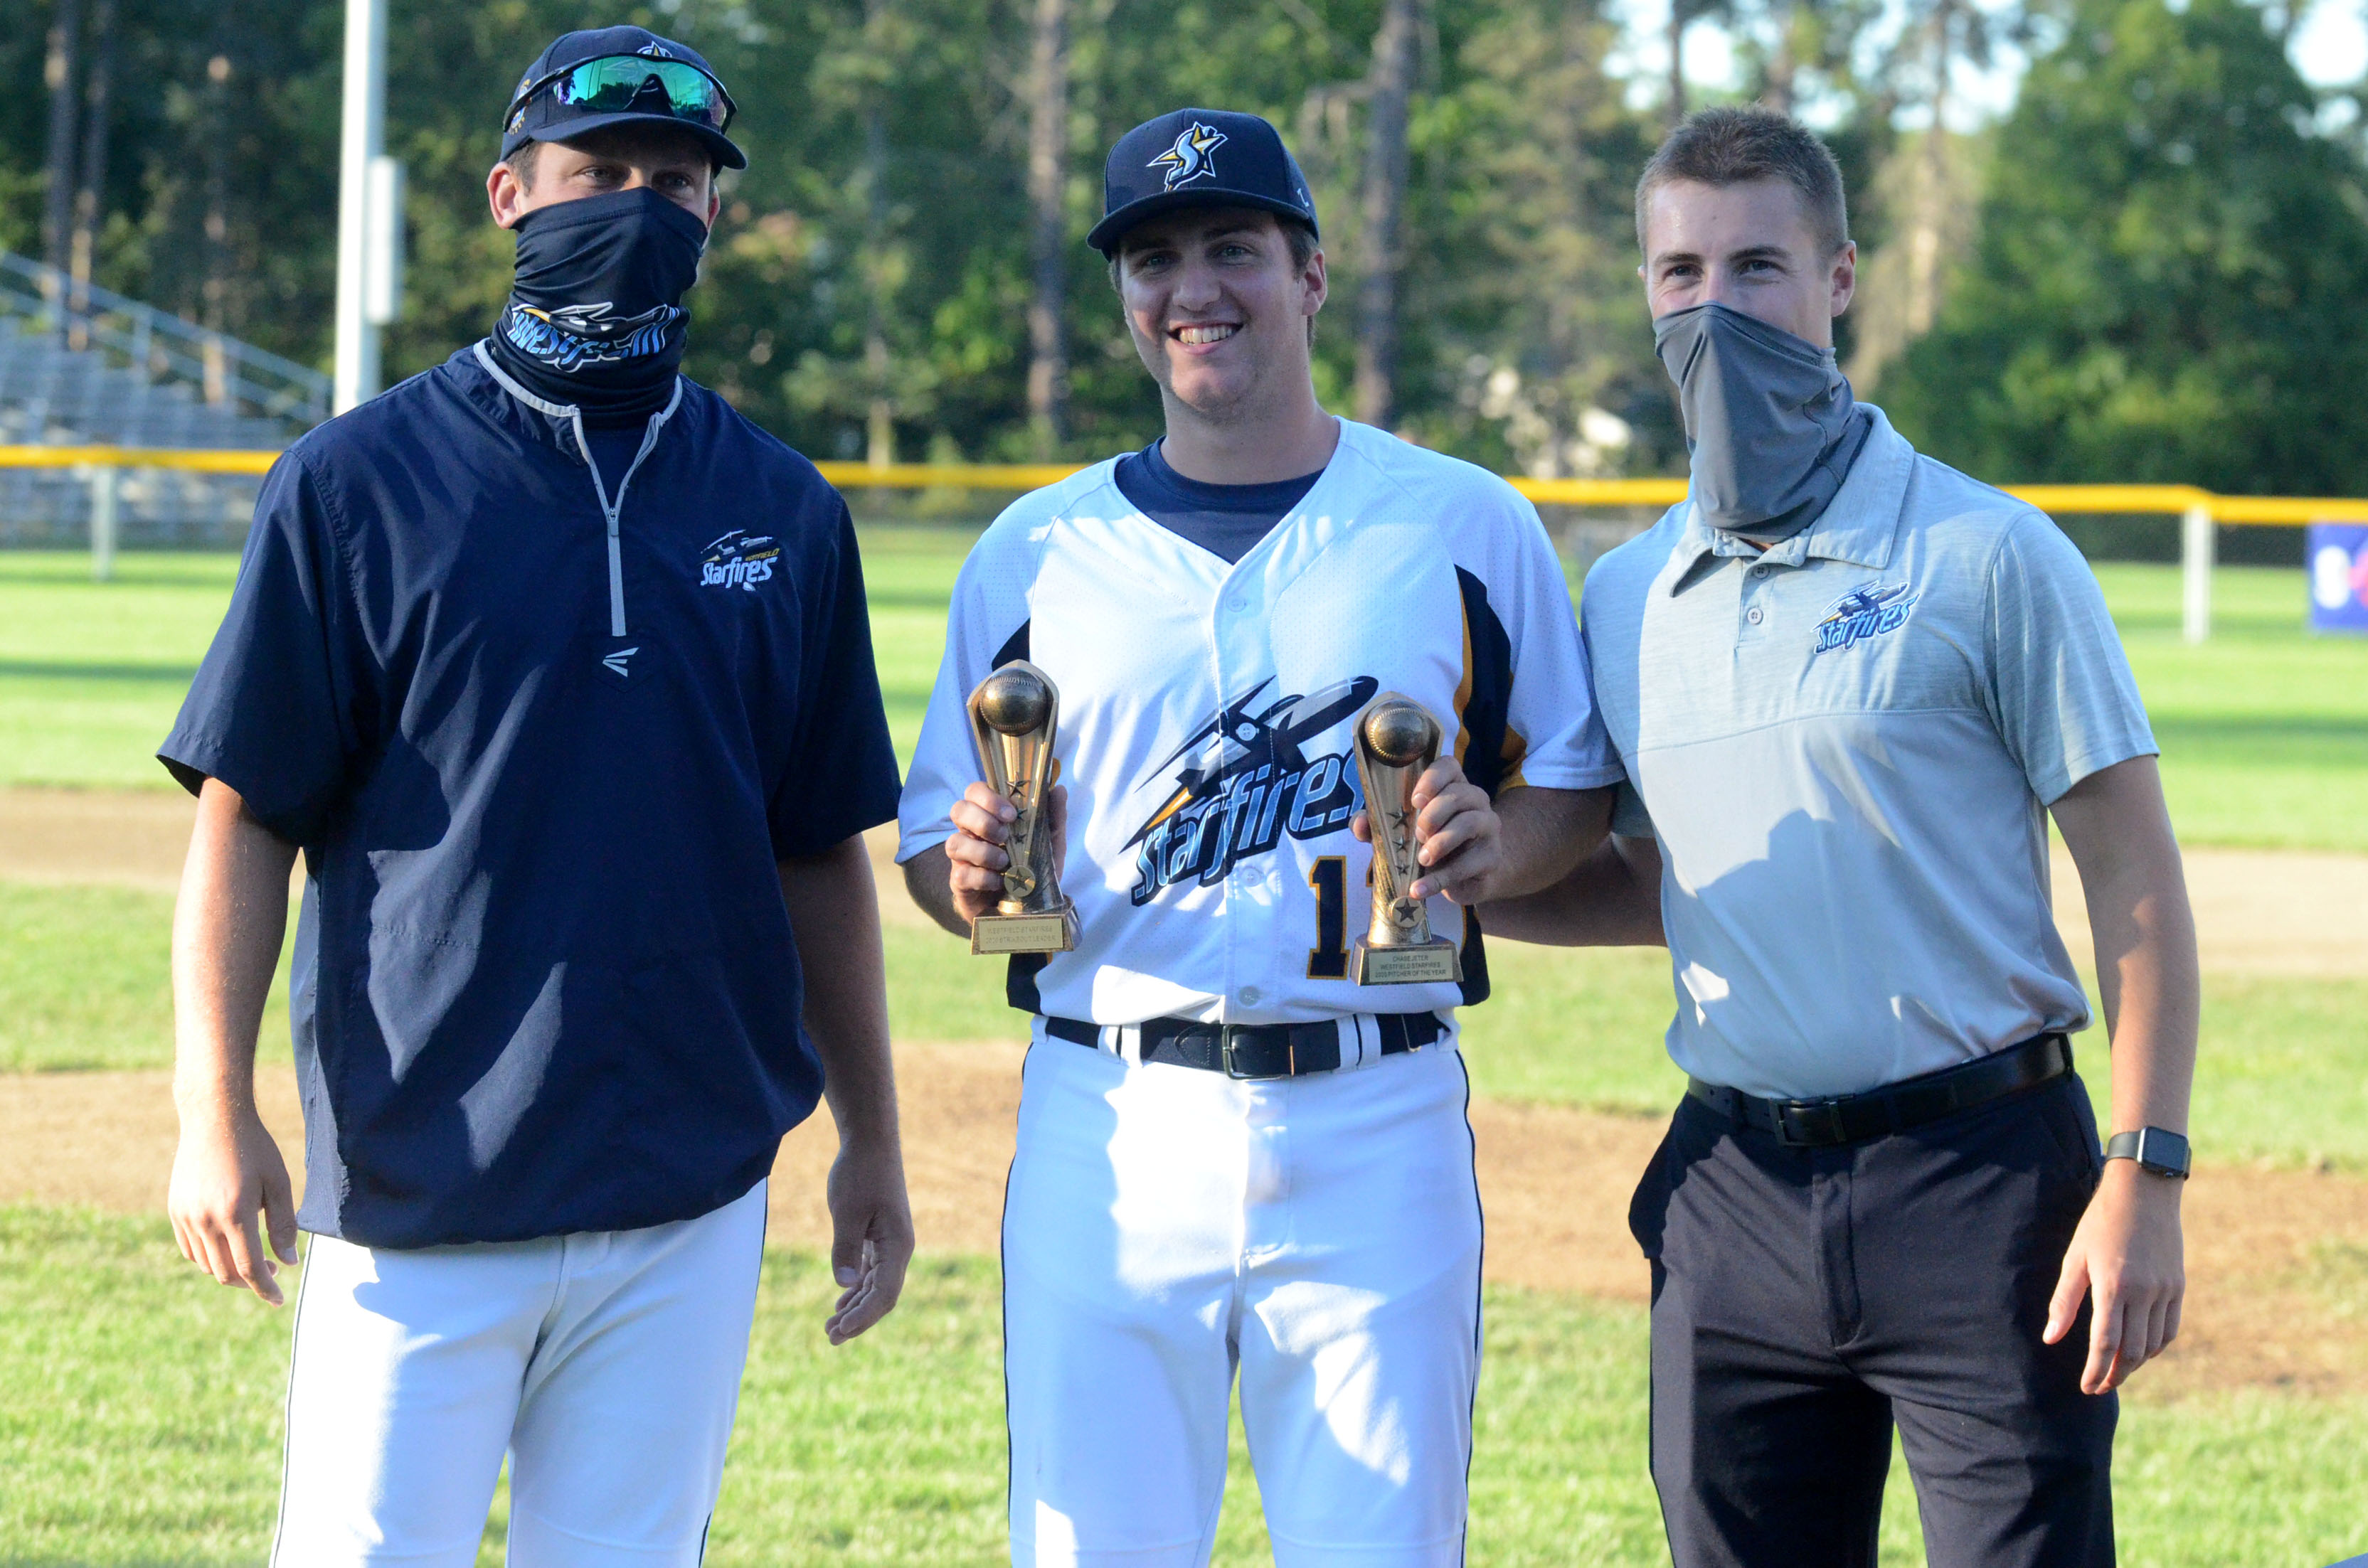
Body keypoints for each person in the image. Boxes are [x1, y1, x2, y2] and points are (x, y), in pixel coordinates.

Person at [160, 26, 913, 1566]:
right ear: (511, 193)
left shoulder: (780, 504)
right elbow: (248, 823)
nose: (636, 204)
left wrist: (874, 1136)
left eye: (674, 179)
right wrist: (210, 1108)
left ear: (716, 215)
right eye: (598, 174)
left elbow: (819, 850)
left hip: (687, 1190)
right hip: (419, 1183)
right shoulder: (357, 480)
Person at [896, 107, 1624, 1567]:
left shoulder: (1464, 521)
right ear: (1123, 297)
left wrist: (1501, 846)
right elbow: (939, 839)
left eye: (1233, 245)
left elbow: (1575, 785)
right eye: (1153, 258)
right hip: (1108, 1110)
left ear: (1310, 272)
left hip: (1377, 1108)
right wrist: (968, 876)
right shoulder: (1034, 551)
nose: (1193, 288)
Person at [1483, 107, 2198, 1567]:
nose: (1714, 304)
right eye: (1678, 270)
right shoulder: (1622, 596)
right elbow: (1662, 882)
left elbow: (2132, 876)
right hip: (1732, 1191)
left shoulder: (1989, 551)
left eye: (1756, 265)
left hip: (1984, 1177)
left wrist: (2146, 1170)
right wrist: (1458, 882)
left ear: (1839, 279)